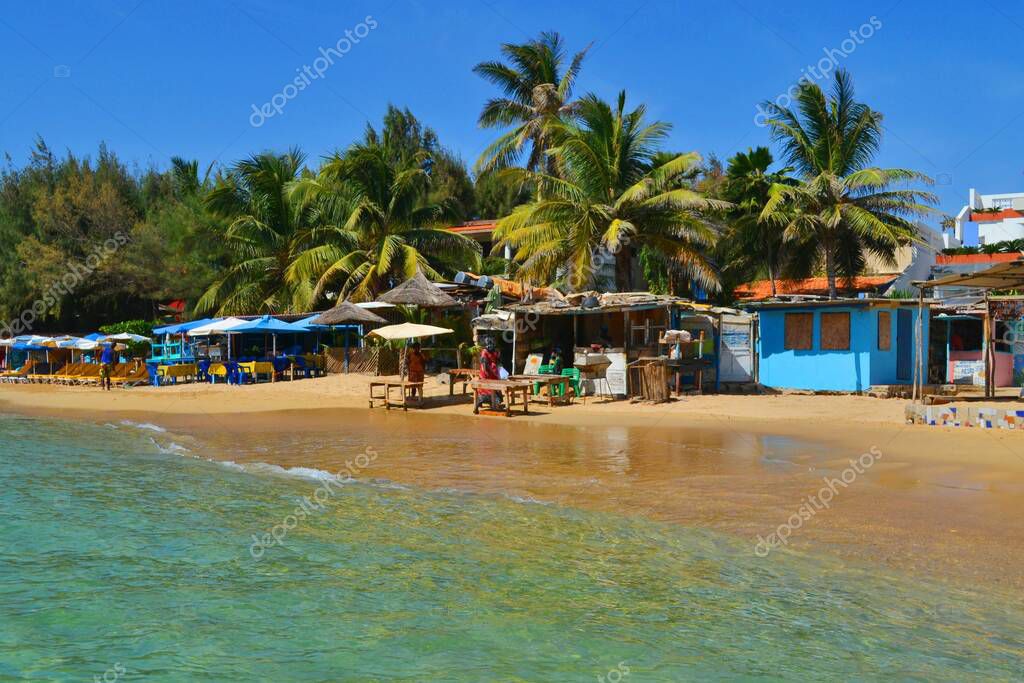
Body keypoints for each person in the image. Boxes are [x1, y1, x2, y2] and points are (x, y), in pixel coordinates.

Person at [476, 337, 504, 410]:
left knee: (495, 387)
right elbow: (483, 364)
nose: (492, 345)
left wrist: (498, 355)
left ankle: (494, 403)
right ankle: (486, 402)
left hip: (494, 373)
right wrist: (485, 372)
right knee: (485, 388)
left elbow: (498, 361)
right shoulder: (484, 352)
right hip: (486, 374)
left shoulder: (494, 351)